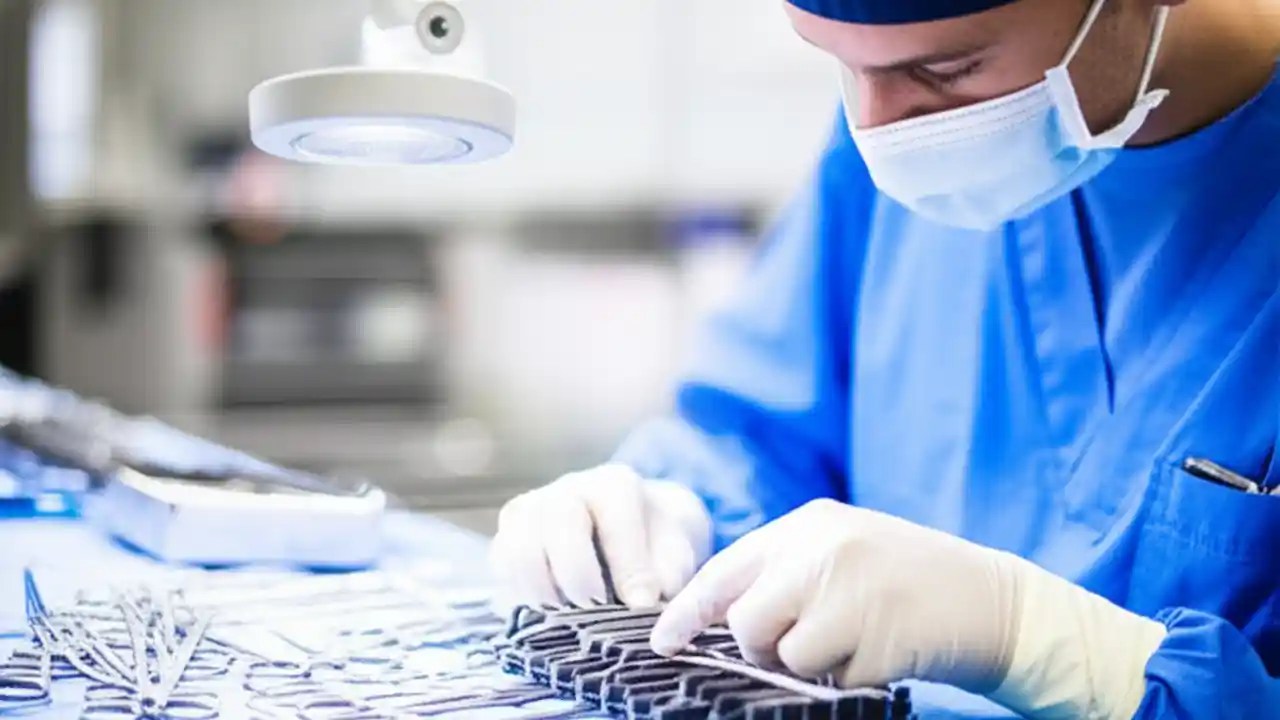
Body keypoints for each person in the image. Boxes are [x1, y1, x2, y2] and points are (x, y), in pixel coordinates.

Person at [490, 0, 1280, 717]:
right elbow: (761, 435)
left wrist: (1044, 643)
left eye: (947, 68)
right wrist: (669, 510)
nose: (881, 127)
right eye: (839, 62)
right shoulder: (927, 140)